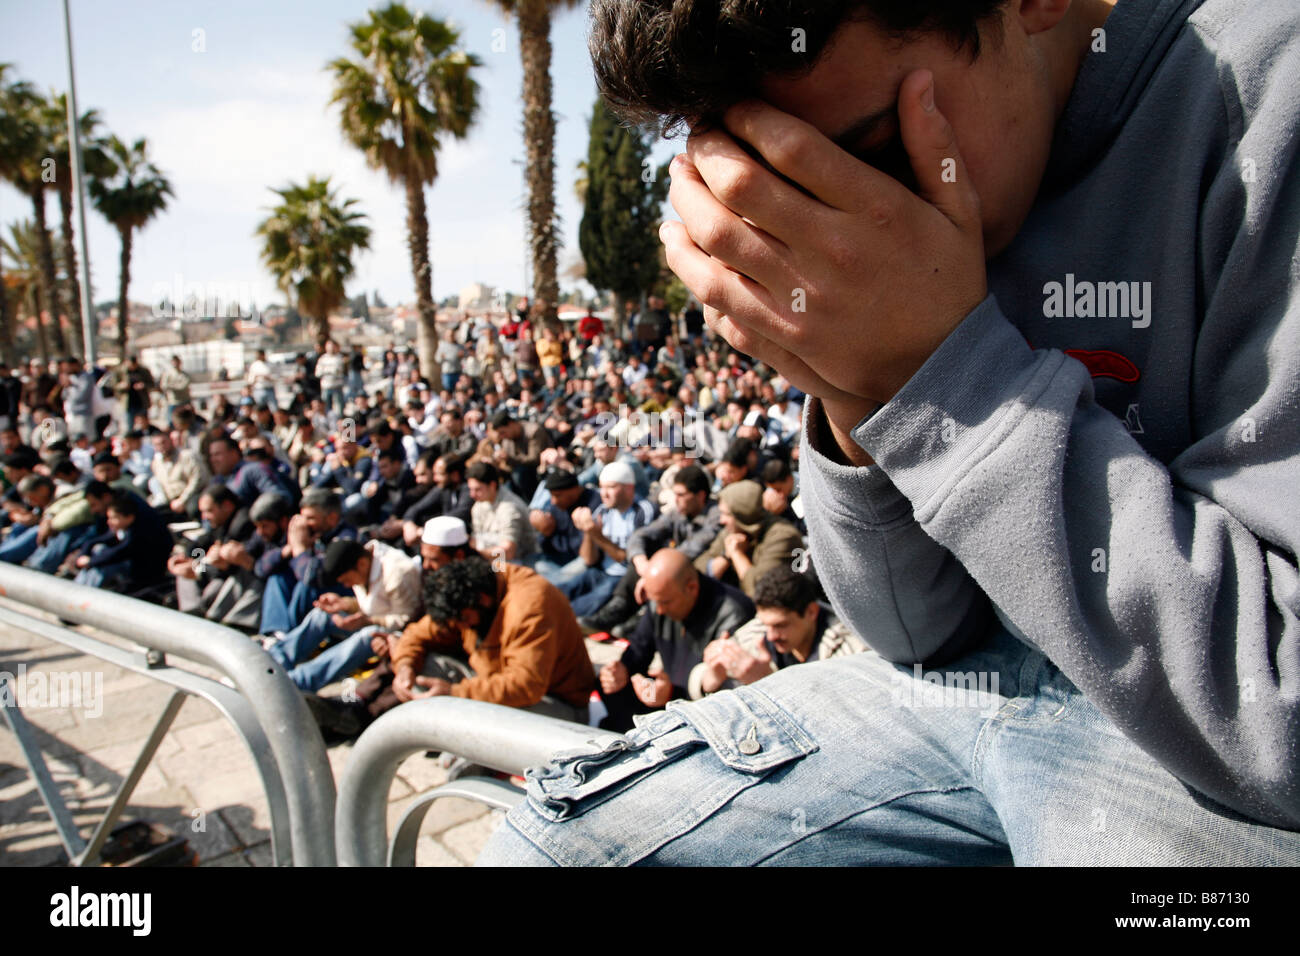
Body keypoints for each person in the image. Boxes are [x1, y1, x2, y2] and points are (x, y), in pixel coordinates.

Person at [481, 0, 1300, 866]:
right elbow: (914, 633)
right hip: (952, 706)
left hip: (1201, 766)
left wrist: (944, 372)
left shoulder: (1266, 90)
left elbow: (1277, 711)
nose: (854, 233)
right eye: (789, 190)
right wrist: (856, 393)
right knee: (548, 849)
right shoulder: (900, 184)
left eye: (869, 153)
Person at [390, 555, 595, 720]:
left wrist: (455, 693)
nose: (461, 628)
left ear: (483, 600)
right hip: (492, 681)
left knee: (485, 733)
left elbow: (525, 686)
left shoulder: (529, 606)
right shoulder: (466, 598)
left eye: (464, 621)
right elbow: (416, 634)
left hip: (553, 703)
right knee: (421, 671)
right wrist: (405, 665)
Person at [595, 548, 753, 731]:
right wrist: (620, 672)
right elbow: (638, 652)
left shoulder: (734, 614)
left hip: (703, 714)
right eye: (656, 602)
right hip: (666, 698)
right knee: (610, 686)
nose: (660, 610)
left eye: (665, 602)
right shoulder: (662, 601)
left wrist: (670, 695)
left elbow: (722, 694)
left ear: (691, 588)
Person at [697, 564, 868, 697]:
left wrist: (769, 684)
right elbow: (699, 677)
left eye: (781, 625)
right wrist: (710, 679)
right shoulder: (758, 632)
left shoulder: (851, 650)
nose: (770, 635)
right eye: (766, 624)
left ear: (811, 612)